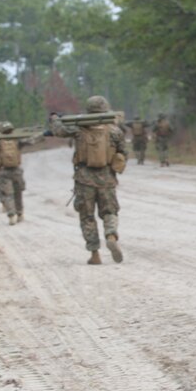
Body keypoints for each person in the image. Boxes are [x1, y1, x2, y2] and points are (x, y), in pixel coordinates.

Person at [48, 96, 128, 265]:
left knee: (86, 216)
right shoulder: (114, 130)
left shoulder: (79, 128)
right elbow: (123, 153)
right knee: (110, 211)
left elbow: (58, 131)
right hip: (107, 178)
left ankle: (95, 254)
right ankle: (111, 235)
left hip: (84, 179)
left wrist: (54, 118)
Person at [0, 122, 42, 225]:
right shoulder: (17, 141)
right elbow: (31, 140)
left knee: (8, 194)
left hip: (4, 171)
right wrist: (41, 134)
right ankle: (20, 214)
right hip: (17, 171)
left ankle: (11, 215)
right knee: (18, 194)